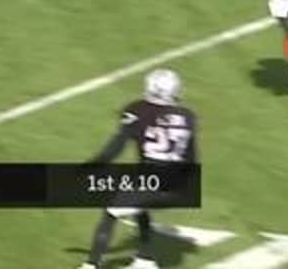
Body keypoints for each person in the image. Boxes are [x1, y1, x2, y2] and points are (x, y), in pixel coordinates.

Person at [78, 69, 198, 269]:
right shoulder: (188, 117)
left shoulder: (137, 111)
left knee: (110, 213)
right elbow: (192, 158)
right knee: (138, 206)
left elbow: (115, 147)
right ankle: (145, 260)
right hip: (178, 186)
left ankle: (91, 265)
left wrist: (92, 166)